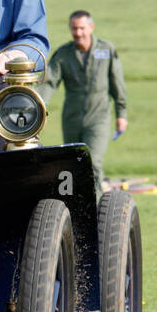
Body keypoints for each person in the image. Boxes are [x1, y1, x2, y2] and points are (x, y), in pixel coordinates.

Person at [38, 11, 128, 195]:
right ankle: (75, 208)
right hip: (72, 118)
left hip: (98, 118)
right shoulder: (63, 54)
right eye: (74, 28)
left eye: (82, 28)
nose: (78, 33)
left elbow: (117, 83)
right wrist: (36, 108)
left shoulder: (106, 50)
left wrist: (122, 114)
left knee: (92, 161)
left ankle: (95, 211)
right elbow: (49, 83)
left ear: (91, 27)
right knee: (72, 163)